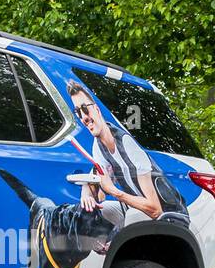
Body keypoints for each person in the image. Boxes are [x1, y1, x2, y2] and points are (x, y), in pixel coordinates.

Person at [71, 82, 188, 231]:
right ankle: (109, 247)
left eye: (84, 109)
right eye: (78, 112)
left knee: (132, 217)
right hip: (137, 209)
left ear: (97, 109)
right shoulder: (98, 146)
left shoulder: (127, 144)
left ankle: (116, 245)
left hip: (170, 217)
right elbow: (100, 189)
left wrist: (115, 192)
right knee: (101, 211)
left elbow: (155, 209)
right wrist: (86, 192)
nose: (83, 117)